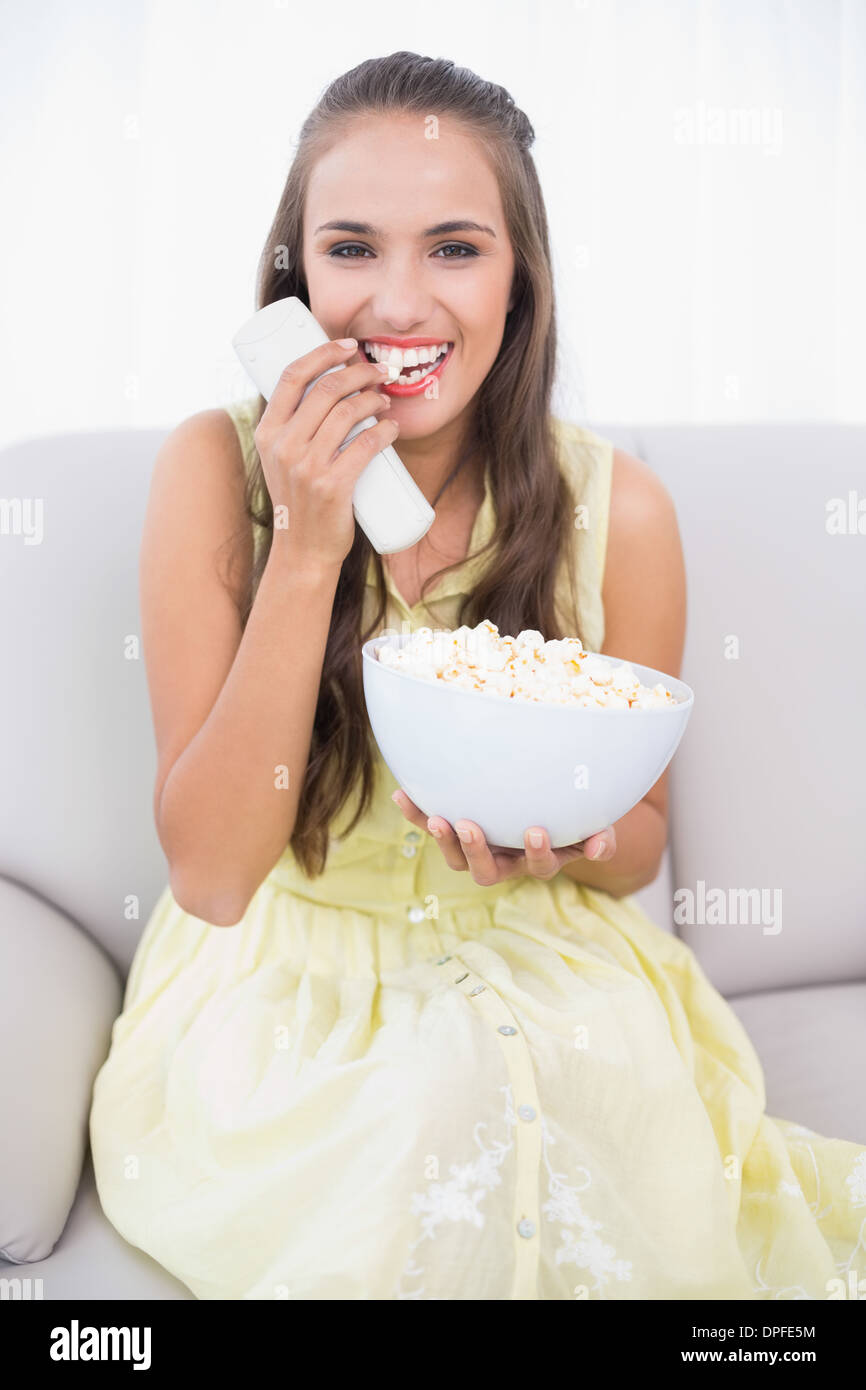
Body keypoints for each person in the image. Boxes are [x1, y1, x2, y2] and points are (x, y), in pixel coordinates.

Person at [89, 50, 866, 1301]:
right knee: (427, 1115)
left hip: (546, 953)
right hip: (293, 978)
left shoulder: (623, 507)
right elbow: (214, 874)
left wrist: (562, 839)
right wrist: (307, 541)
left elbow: (639, 844)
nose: (396, 305)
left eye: (453, 248)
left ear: (521, 279)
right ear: (294, 276)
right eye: (349, 249)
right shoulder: (211, 471)